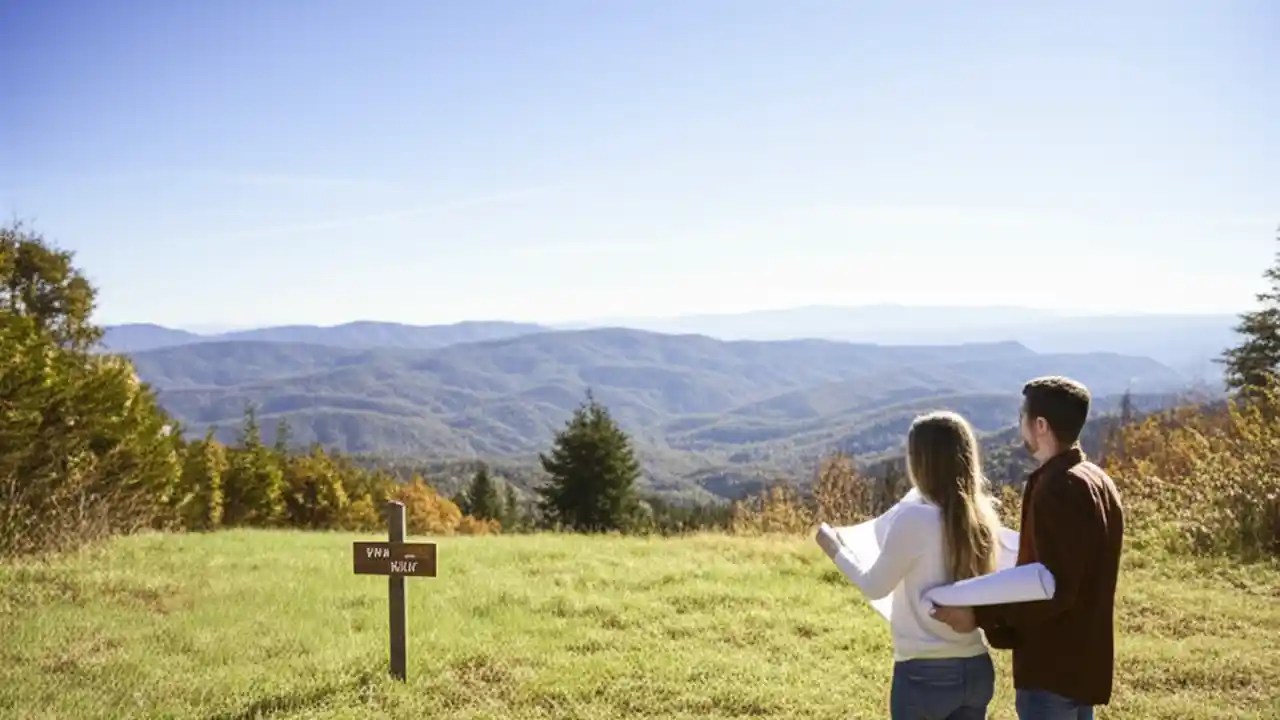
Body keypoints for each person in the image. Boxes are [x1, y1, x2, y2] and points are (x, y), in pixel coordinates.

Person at [932, 376, 1125, 720]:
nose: (1018, 425)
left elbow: (1051, 587)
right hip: (1084, 663)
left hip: (1052, 669)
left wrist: (980, 616)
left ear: (1040, 425)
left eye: (1022, 417)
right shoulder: (1098, 480)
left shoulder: (1058, 487)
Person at [815, 410, 1003, 719]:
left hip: (923, 674)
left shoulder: (914, 519)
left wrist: (835, 549)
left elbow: (875, 586)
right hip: (976, 666)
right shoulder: (982, 517)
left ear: (920, 462)